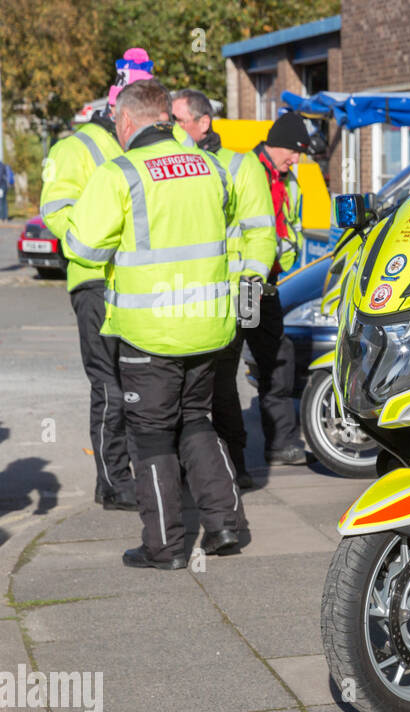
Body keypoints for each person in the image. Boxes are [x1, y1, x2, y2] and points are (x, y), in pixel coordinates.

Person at [63, 79, 246, 569]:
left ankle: (164, 547)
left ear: (125, 121)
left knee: (151, 436)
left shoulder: (120, 172)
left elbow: (82, 248)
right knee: (197, 422)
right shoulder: (210, 166)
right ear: (166, 117)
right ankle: (226, 524)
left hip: (151, 332)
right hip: (207, 325)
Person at [36, 47, 156, 512]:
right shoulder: (78, 148)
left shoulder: (144, 145)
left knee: (141, 382)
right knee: (109, 384)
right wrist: (95, 244)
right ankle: (114, 481)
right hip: (95, 282)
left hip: (140, 285)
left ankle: (143, 471)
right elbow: (56, 210)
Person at [172, 88, 277, 489]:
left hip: (233, 295)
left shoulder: (239, 165)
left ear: (203, 123)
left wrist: (247, 298)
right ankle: (194, 469)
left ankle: (236, 466)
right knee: (187, 389)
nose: (172, 130)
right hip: (184, 297)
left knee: (220, 384)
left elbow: (261, 234)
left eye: (179, 121)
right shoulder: (174, 166)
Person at [246, 111, 311, 466]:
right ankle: (228, 450)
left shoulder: (282, 178)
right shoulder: (248, 170)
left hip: (265, 282)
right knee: (231, 362)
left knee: (277, 357)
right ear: (276, 143)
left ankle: (282, 441)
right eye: (294, 151)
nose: (296, 159)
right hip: (242, 283)